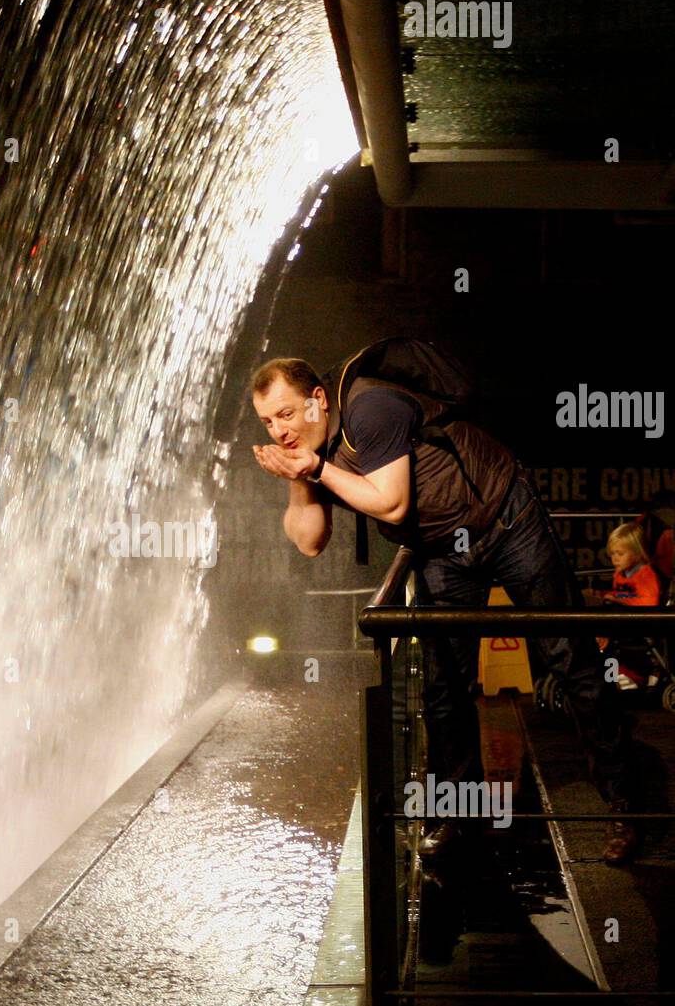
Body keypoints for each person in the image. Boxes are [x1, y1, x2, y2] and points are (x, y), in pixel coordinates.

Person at [250, 345, 639, 865]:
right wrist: (301, 477)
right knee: (443, 684)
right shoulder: (310, 454)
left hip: (504, 517)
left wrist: (316, 468)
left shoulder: (370, 408)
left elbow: (391, 502)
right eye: (268, 421)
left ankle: (626, 806)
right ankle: (462, 818)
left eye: (287, 413)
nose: (279, 430)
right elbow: (310, 541)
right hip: (440, 548)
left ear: (318, 399)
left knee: (568, 657)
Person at [594, 522, 663, 689]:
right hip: (623, 621)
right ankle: (610, 672)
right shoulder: (619, 574)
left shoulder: (645, 574)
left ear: (637, 553)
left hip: (642, 623)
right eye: (612, 554)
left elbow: (649, 602)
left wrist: (620, 600)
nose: (614, 558)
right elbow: (624, 595)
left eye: (620, 553)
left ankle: (631, 674)